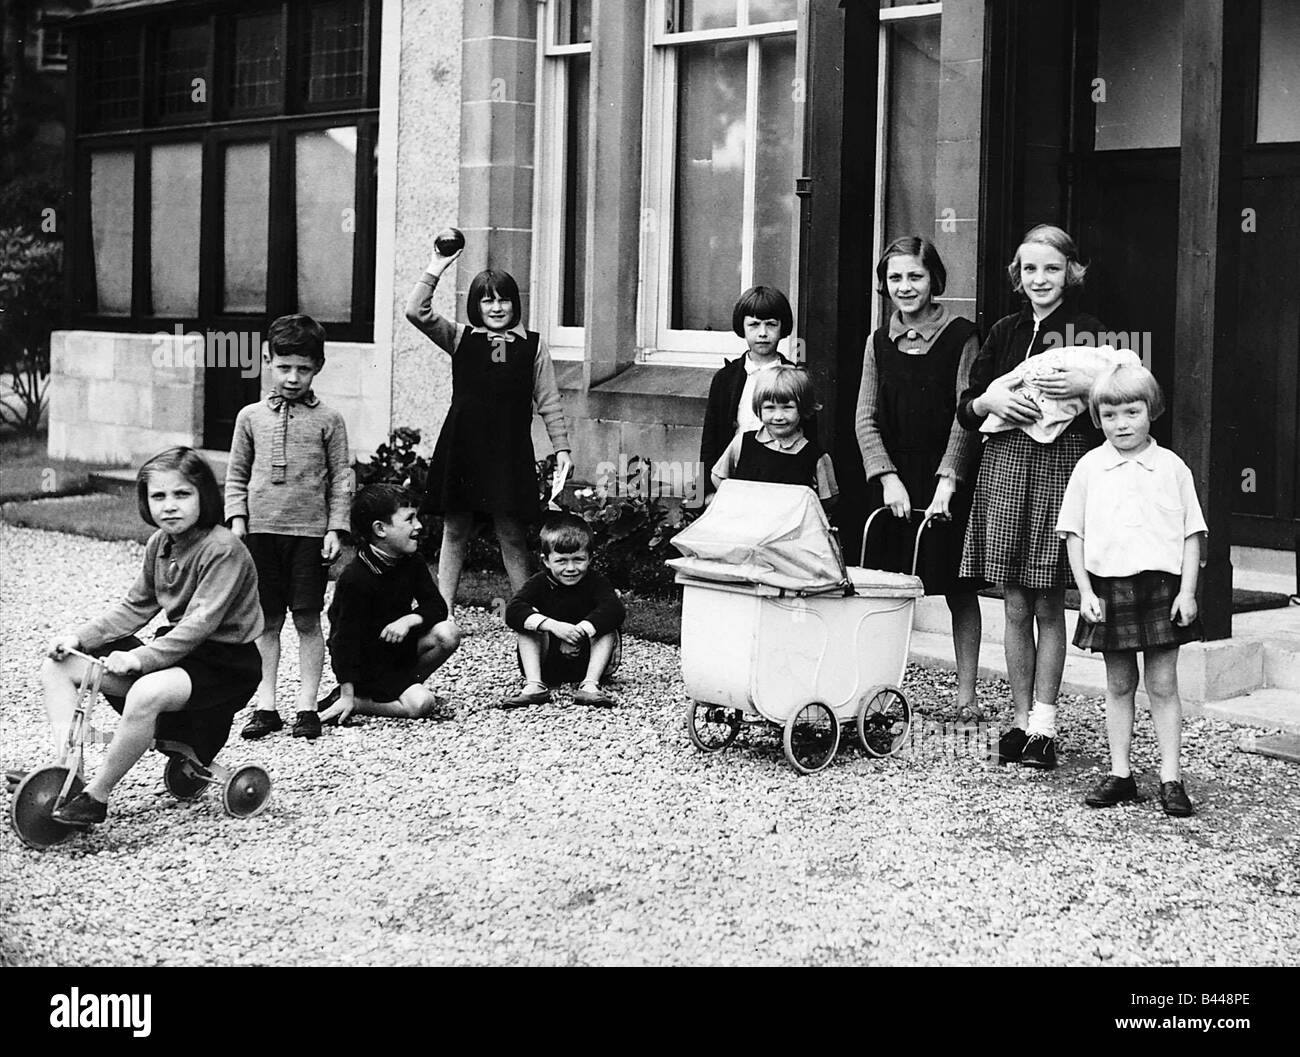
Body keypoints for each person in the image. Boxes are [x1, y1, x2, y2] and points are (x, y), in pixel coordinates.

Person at [37, 448, 264, 826]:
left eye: (182, 494)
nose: (169, 506)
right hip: (177, 651)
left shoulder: (224, 550)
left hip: (224, 663)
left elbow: (200, 623)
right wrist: (79, 637)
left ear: (204, 496)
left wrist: (139, 660)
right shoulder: (159, 544)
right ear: (146, 501)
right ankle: (68, 772)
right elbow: (134, 607)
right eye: (158, 496)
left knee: (145, 692)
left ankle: (97, 795)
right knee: (59, 667)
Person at [956, 224, 1109, 769]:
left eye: (1051, 268)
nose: (1040, 278)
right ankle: (1021, 722)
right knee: (1014, 600)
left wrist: (1091, 389)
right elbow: (968, 407)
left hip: (1060, 467)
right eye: (1029, 269)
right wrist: (989, 397)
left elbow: (1124, 398)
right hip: (1003, 468)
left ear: (1071, 271)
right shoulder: (1001, 331)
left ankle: (1045, 723)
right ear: (1017, 276)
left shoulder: (1089, 330)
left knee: (1048, 600)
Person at [1057, 365, 1205, 817]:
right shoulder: (1089, 468)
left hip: (1162, 588)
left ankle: (1170, 777)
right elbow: (1074, 534)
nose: (1122, 423)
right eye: (1110, 414)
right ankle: (1121, 774)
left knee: (1163, 684)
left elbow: (1191, 533)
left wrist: (1188, 592)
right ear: (1097, 418)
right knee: (1119, 684)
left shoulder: (1172, 468)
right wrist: (1084, 592)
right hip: (1109, 589)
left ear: (1151, 412)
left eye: (1132, 412)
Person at [405, 238, 573, 608]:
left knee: (511, 533)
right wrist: (437, 265)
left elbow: (549, 400)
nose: (497, 307)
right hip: (464, 446)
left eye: (504, 299)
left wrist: (561, 449)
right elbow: (416, 311)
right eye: (488, 300)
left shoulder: (533, 345)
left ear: (515, 303)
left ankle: (525, 610)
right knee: (456, 529)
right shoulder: (461, 337)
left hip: (508, 451)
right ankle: (443, 610)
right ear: (476, 305)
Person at [856, 236, 984, 715]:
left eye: (915, 276)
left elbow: (964, 415)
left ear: (935, 281)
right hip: (895, 483)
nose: (905, 287)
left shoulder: (962, 336)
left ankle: (966, 697)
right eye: (895, 278)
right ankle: (877, 690)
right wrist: (886, 478)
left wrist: (947, 481)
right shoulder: (876, 341)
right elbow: (864, 418)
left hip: (944, 483)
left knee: (957, 587)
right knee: (885, 589)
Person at [225, 314, 351, 742]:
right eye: (283, 367)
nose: (293, 377)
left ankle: (307, 705)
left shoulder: (329, 419)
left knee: (307, 618)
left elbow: (340, 478)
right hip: (261, 532)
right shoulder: (249, 417)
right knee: (267, 620)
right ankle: (267, 705)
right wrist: (237, 519)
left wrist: (336, 528)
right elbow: (236, 473)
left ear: (318, 366)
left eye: (303, 368)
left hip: (308, 534)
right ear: (267, 361)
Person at [317, 484, 462, 725]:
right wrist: (347, 692)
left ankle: (407, 687)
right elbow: (343, 642)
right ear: (380, 529)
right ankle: (356, 701)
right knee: (422, 705)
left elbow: (437, 606)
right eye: (409, 519)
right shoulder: (356, 578)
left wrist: (408, 620)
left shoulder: (410, 561)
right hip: (368, 667)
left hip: (397, 653)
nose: (419, 526)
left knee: (448, 633)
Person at [700, 286, 816, 498]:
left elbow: (810, 438)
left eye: (771, 324)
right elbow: (710, 440)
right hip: (736, 481)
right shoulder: (726, 379)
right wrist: (706, 494)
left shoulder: (796, 377)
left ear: (783, 328)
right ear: (742, 327)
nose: (762, 333)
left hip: (783, 483)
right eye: (753, 325)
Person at [501, 515, 625, 709]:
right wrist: (553, 626)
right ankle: (534, 686)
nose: (570, 568)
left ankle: (590, 686)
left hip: (586, 659)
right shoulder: (539, 583)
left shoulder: (596, 582)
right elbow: (513, 611)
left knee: (607, 623)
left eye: (578, 560)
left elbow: (615, 609)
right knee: (527, 621)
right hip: (547, 662)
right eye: (561, 561)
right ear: (547, 561)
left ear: (590, 558)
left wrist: (581, 631)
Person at [711, 365, 838, 512]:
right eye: (770, 408)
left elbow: (828, 501)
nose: (778, 416)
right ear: (758, 408)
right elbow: (718, 477)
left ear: (802, 408)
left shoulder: (816, 457)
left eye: (787, 408)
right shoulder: (742, 443)